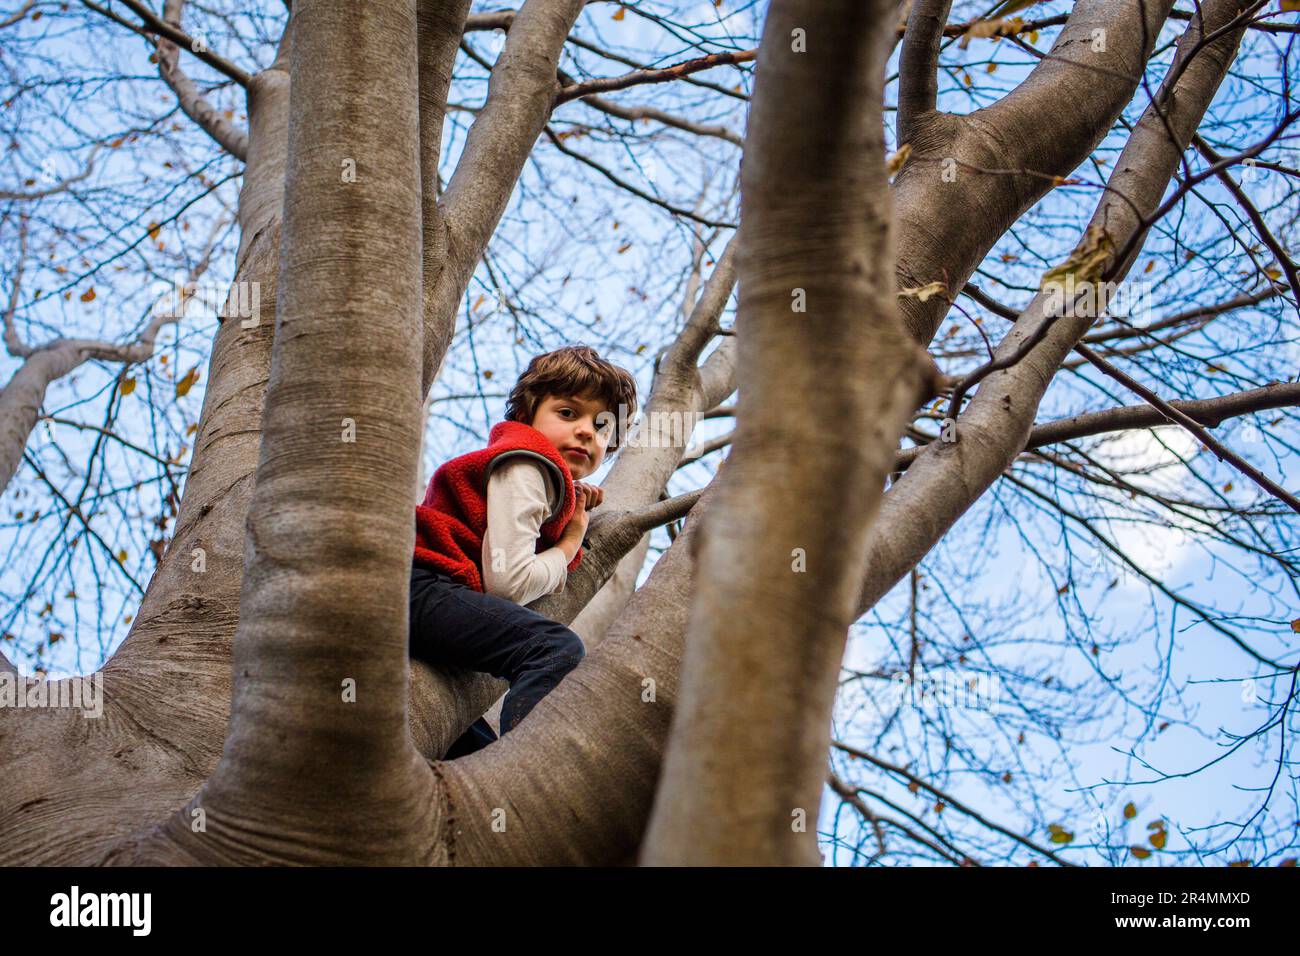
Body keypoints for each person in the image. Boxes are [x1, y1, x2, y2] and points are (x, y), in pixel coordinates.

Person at [411, 345, 638, 758]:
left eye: (602, 426)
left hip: (422, 601)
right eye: (568, 413)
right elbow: (509, 584)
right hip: (419, 588)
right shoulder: (527, 463)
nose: (587, 431)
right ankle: (521, 770)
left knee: (468, 745)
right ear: (529, 413)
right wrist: (570, 542)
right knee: (555, 649)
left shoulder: (533, 471)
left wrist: (566, 504)